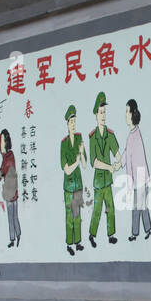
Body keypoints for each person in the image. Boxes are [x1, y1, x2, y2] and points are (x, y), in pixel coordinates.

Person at [87, 92, 120, 248]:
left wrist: (118, 164)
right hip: (99, 179)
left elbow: (117, 154)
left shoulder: (109, 134)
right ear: (95, 114)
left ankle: (111, 234)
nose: (103, 116)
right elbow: (94, 162)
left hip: (108, 179)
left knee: (110, 208)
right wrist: (109, 166)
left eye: (104, 112)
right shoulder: (92, 137)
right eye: (101, 113)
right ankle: (92, 234)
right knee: (97, 209)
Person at [123, 99, 151, 242]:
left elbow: (138, 162)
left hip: (140, 180)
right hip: (139, 180)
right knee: (141, 207)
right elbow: (126, 154)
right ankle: (147, 229)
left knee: (138, 207)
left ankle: (137, 233)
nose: (126, 115)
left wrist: (132, 183)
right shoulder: (131, 135)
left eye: (127, 112)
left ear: (133, 114)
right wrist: (119, 163)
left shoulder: (136, 136)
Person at [60, 105, 86, 256]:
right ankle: (69, 243)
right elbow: (66, 169)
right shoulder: (64, 144)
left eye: (75, 122)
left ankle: (78, 242)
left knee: (78, 215)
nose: (73, 125)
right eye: (71, 122)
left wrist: (82, 154)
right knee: (69, 216)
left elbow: (84, 164)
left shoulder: (79, 139)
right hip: (68, 186)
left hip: (78, 185)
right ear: (67, 124)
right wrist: (77, 160)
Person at [0, 123, 20, 248]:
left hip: (9, 195)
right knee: (15, 217)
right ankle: (18, 235)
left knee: (11, 218)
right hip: (15, 193)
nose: (1, 143)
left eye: (3, 141)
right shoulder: (10, 154)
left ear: (6, 142)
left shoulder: (7, 161)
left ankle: (12, 239)